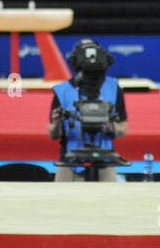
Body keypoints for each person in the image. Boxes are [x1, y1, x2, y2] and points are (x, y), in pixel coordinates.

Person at [48, 39, 128, 182]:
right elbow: (53, 134)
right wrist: (57, 123)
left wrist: (111, 127)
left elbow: (123, 127)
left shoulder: (114, 88)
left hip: (106, 160)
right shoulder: (62, 90)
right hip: (70, 161)